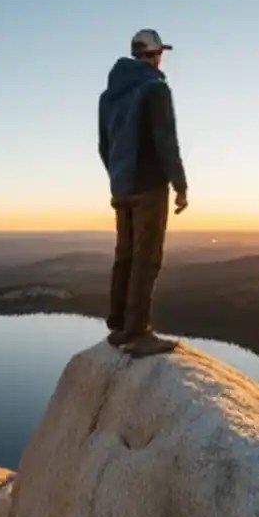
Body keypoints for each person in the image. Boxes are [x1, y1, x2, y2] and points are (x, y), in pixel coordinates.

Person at [98, 29, 189, 357]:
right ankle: (138, 332)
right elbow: (166, 140)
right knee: (147, 257)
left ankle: (120, 326)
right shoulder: (156, 88)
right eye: (160, 53)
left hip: (121, 186)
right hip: (148, 184)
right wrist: (179, 184)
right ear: (154, 55)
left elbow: (104, 146)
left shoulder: (109, 97)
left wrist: (118, 179)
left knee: (125, 255)